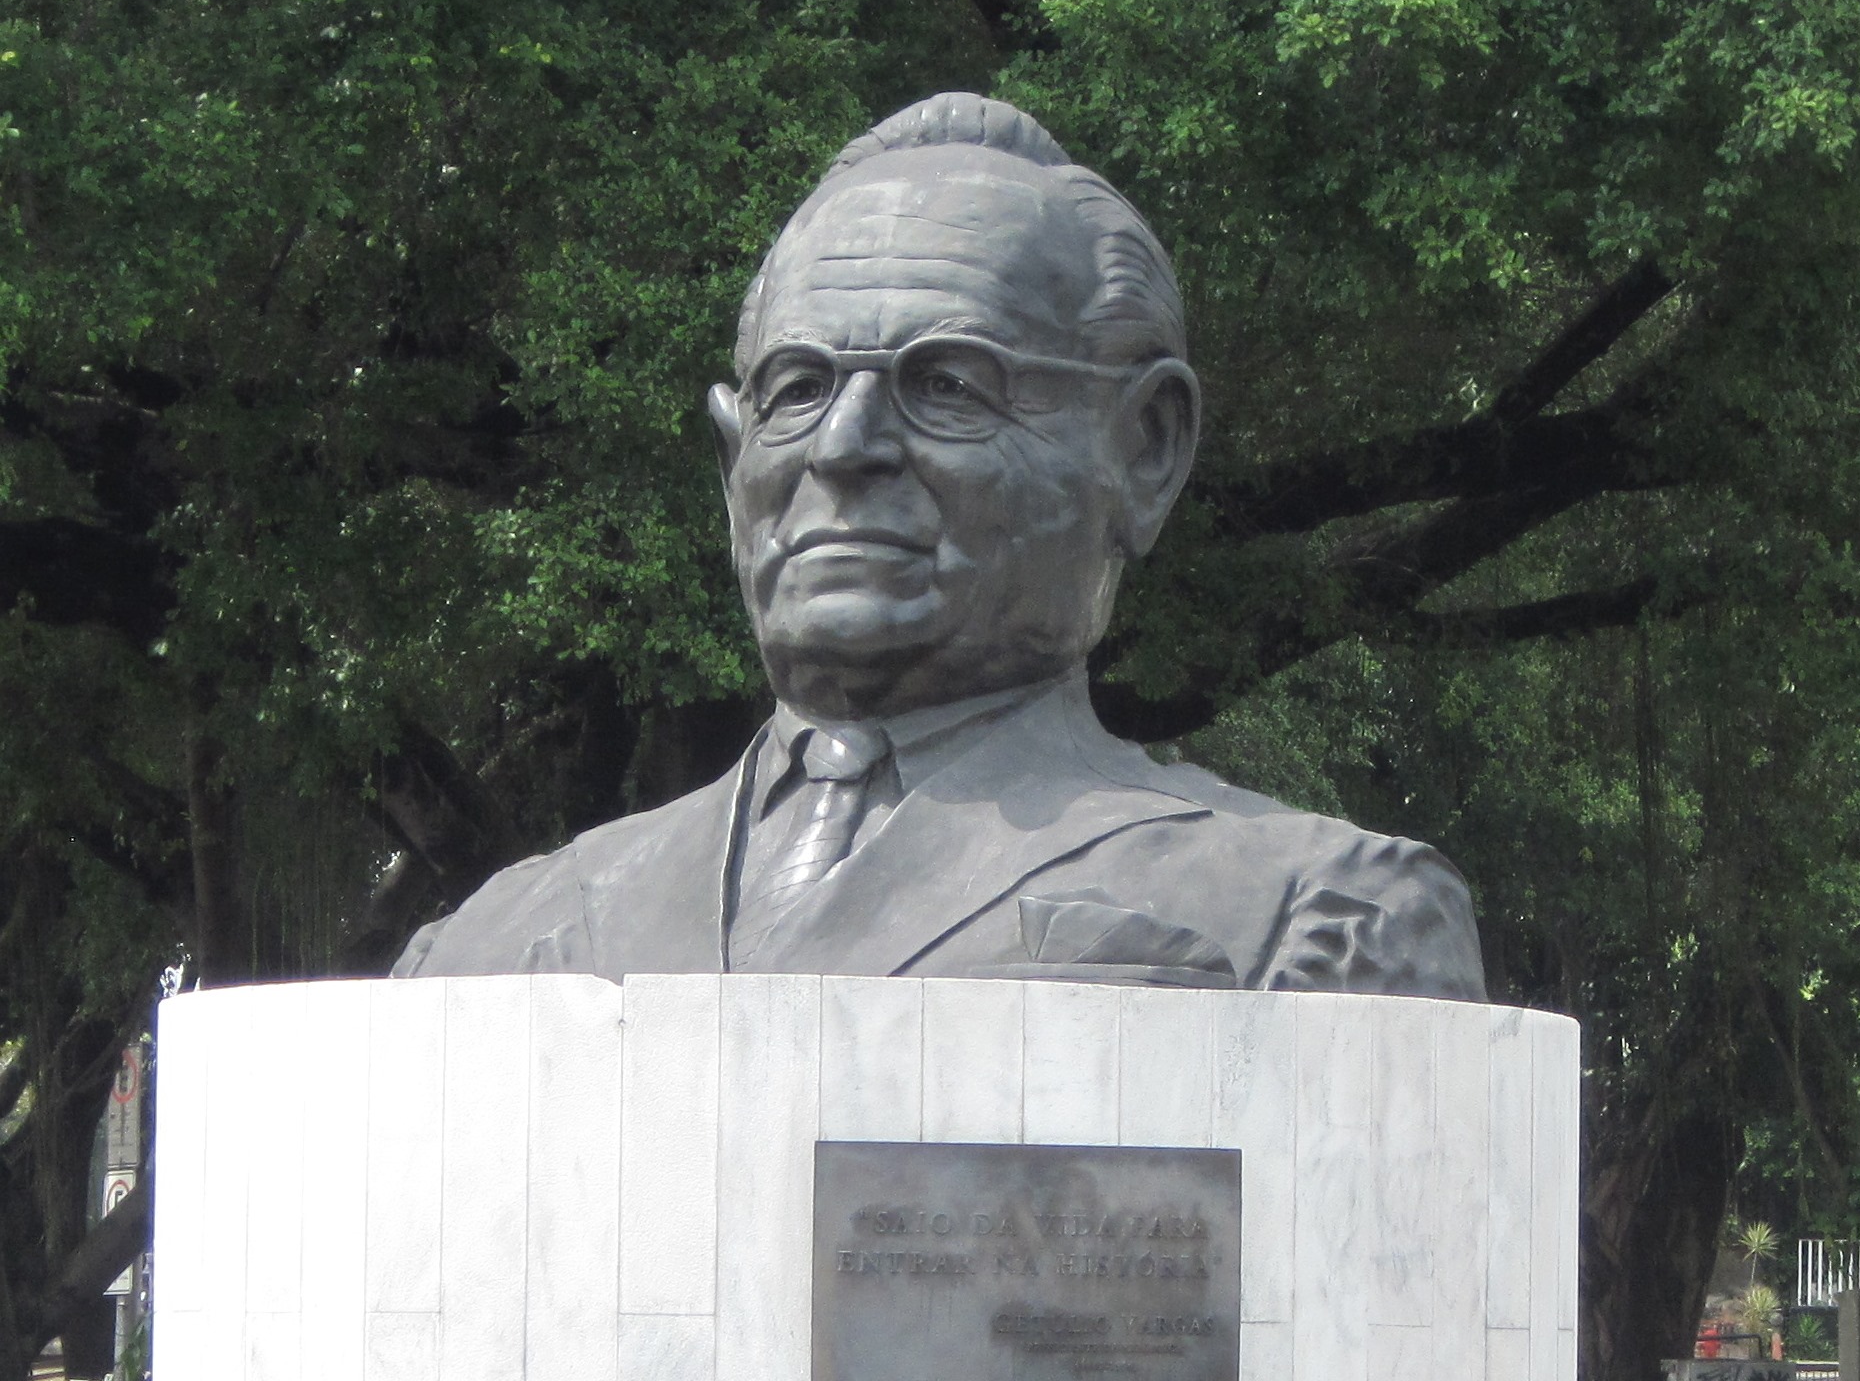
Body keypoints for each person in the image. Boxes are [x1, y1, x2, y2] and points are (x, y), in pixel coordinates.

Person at [395, 93, 1484, 997]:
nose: (844, 447)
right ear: (733, 464)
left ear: (1143, 450)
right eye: (798, 388)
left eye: (949, 384)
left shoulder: (1317, 914)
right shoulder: (487, 947)